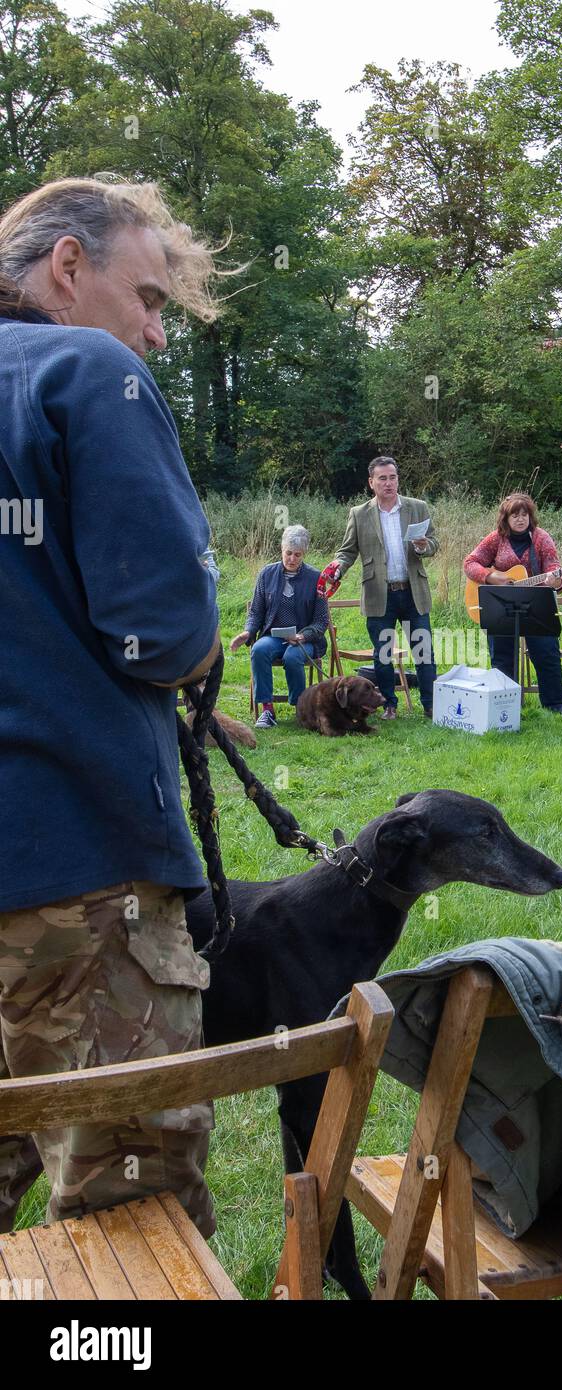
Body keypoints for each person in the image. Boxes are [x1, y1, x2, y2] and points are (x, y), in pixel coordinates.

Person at [0, 177, 222, 1236]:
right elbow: (163, 632)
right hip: (78, 880)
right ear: (68, 267)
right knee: (129, 1231)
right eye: (147, 299)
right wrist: (205, 637)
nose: (153, 335)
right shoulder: (86, 371)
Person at [324, 456, 438, 718]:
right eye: (383, 478)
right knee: (383, 654)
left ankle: (430, 705)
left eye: (393, 477)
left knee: (424, 651)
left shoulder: (417, 507)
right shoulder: (359, 513)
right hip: (379, 593)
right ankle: (389, 704)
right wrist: (337, 568)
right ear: (371, 482)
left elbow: (433, 543)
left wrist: (424, 546)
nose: (389, 483)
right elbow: (347, 551)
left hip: (413, 592)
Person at [463, 493, 562, 712]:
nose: (520, 519)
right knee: (501, 655)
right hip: (502, 605)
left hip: (536, 604)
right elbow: (470, 563)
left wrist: (554, 581)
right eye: (515, 515)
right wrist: (491, 577)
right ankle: (505, 705)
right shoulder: (495, 539)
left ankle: (555, 704)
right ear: (506, 518)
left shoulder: (542, 538)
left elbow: (552, 566)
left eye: (524, 514)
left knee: (546, 652)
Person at [230, 525, 328, 728]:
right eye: (288, 553)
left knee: (292, 657)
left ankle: (300, 707)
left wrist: (302, 637)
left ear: (304, 554)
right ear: (281, 549)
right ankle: (267, 710)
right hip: (273, 636)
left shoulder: (316, 577)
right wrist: (248, 632)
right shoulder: (267, 574)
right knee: (258, 649)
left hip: (304, 639)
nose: (291, 559)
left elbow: (321, 621)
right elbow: (256, 611)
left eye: (297, 555)